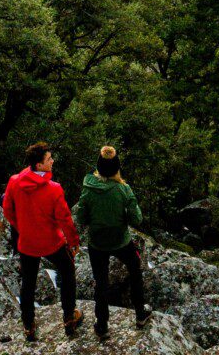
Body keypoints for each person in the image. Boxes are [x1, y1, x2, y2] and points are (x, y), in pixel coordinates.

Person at [3, 141, 84, 342]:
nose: (52, 161)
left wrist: (22, 228)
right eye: (49, 159)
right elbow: (64, 219)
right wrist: (73, 242)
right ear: (39, 165)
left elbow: (7, 210)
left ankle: (28, 326)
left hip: (27, 243)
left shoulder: (14, 181)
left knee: (28, 283)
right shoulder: (53, 189)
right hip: (51, 243)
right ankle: (68, 317)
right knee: (67, 271)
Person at [73, 145, 152, 340]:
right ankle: (140, 313)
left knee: (101, 283)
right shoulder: (123, 189)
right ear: (117, 167)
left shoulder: (88, 189)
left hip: (97, 243)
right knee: (135, 270)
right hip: (120, 241)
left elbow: (81, 218)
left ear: (99, 167)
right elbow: (137, 219)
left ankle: (102, 325)